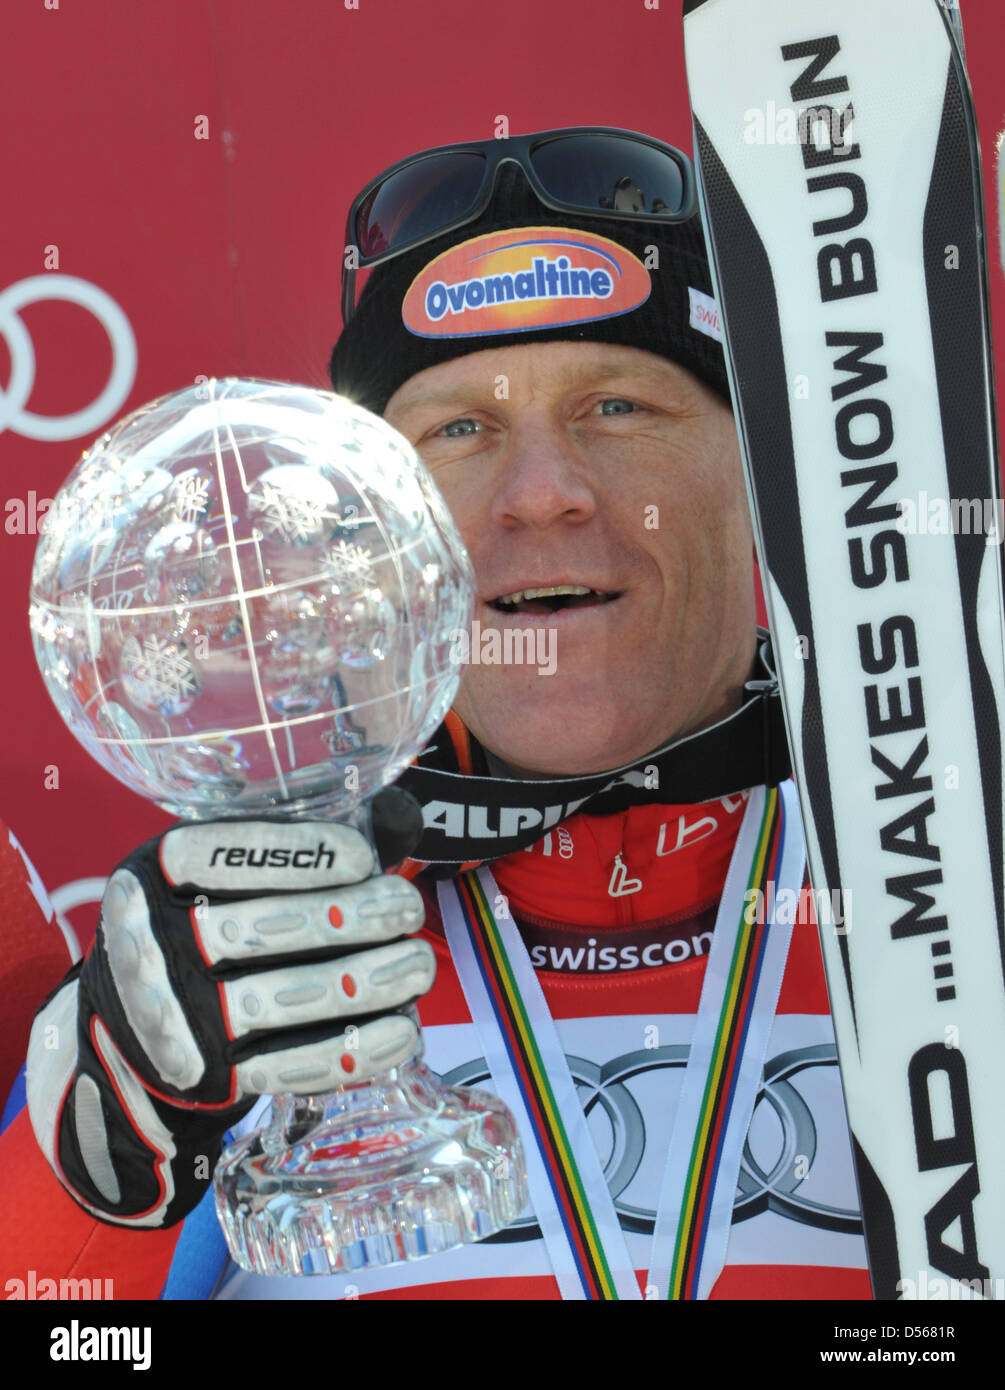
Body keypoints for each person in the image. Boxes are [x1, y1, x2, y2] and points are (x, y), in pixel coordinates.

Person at [8, 127, 869, 1300]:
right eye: (458, 429)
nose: (543, 493)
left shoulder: (944, 870)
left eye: (619, 405)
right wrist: (93, 1188)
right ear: (377, 528)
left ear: (760, 463)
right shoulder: (223, 960)